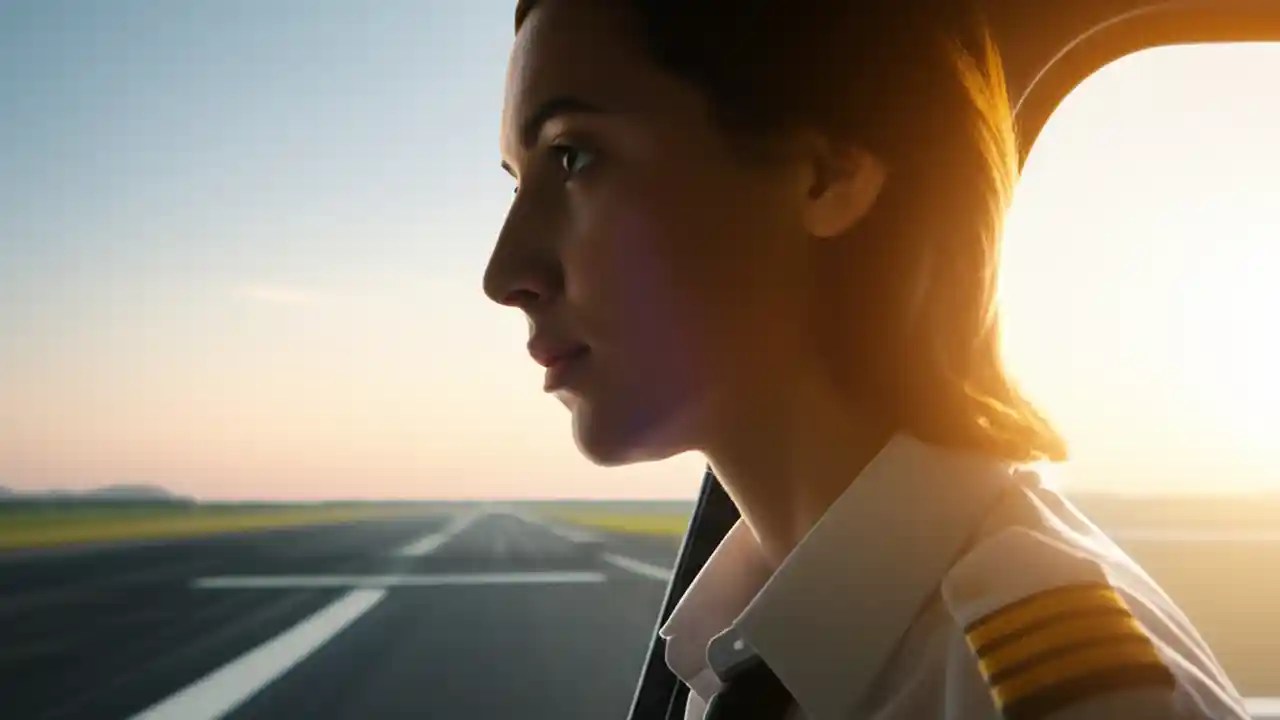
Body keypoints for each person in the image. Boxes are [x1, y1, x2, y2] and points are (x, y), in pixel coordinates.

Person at [482, 1, 1250, 718]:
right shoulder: (745, 640)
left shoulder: (1048, 691)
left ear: (828, 176)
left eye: (574, 157)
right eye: (519, 181)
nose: (505, 272)